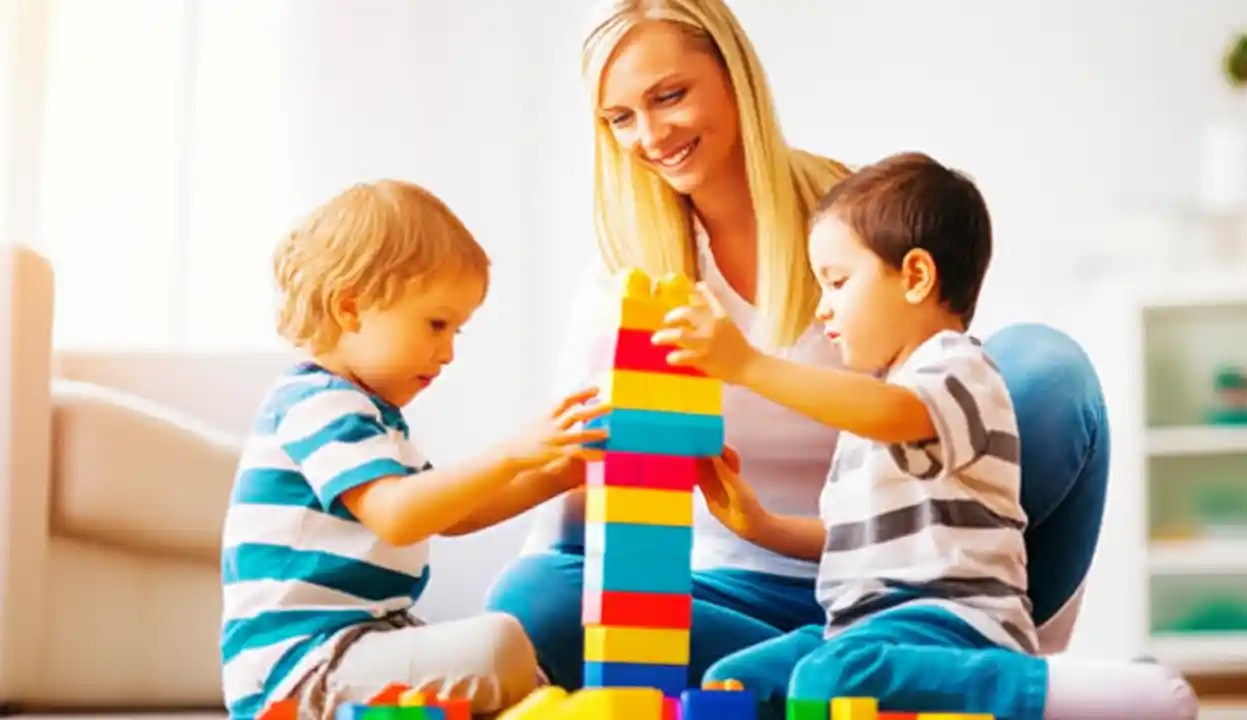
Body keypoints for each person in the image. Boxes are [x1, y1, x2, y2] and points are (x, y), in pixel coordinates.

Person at [484, 1, 1196, 717]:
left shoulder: (852, 219)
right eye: (620, 117)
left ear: (735, 75)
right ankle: (882, 677)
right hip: (743, 592)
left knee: (1042, 369)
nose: (651, 134)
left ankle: (978, 656)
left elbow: (936, 401)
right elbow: (579, 486)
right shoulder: (623, 278)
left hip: (910, 581)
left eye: (670, 95)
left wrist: (745, 363)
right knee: (533, 599)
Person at [656, 150, 1053, 718]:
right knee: (732, 681)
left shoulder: (958, 369)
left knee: (830, 675)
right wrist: (761, 526)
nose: (822, 308)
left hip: (953, 622)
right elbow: (856, 538)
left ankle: (1041, 692)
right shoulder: (884, 397)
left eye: (837, 282)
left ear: (915, 276)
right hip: (862, 627)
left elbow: (896, 413)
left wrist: (747, 365)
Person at [220, 179, 607, 720]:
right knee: (500, 647)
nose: (447, 351)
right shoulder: (316, 403)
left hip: (350, 649)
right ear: (351, 308)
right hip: (302, 671)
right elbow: (399, 516)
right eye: (436, 324)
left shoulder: (374, 417)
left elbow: (453, 514)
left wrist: (557, 474)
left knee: (508, 661)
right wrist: (516, 451)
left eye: (456, 332)